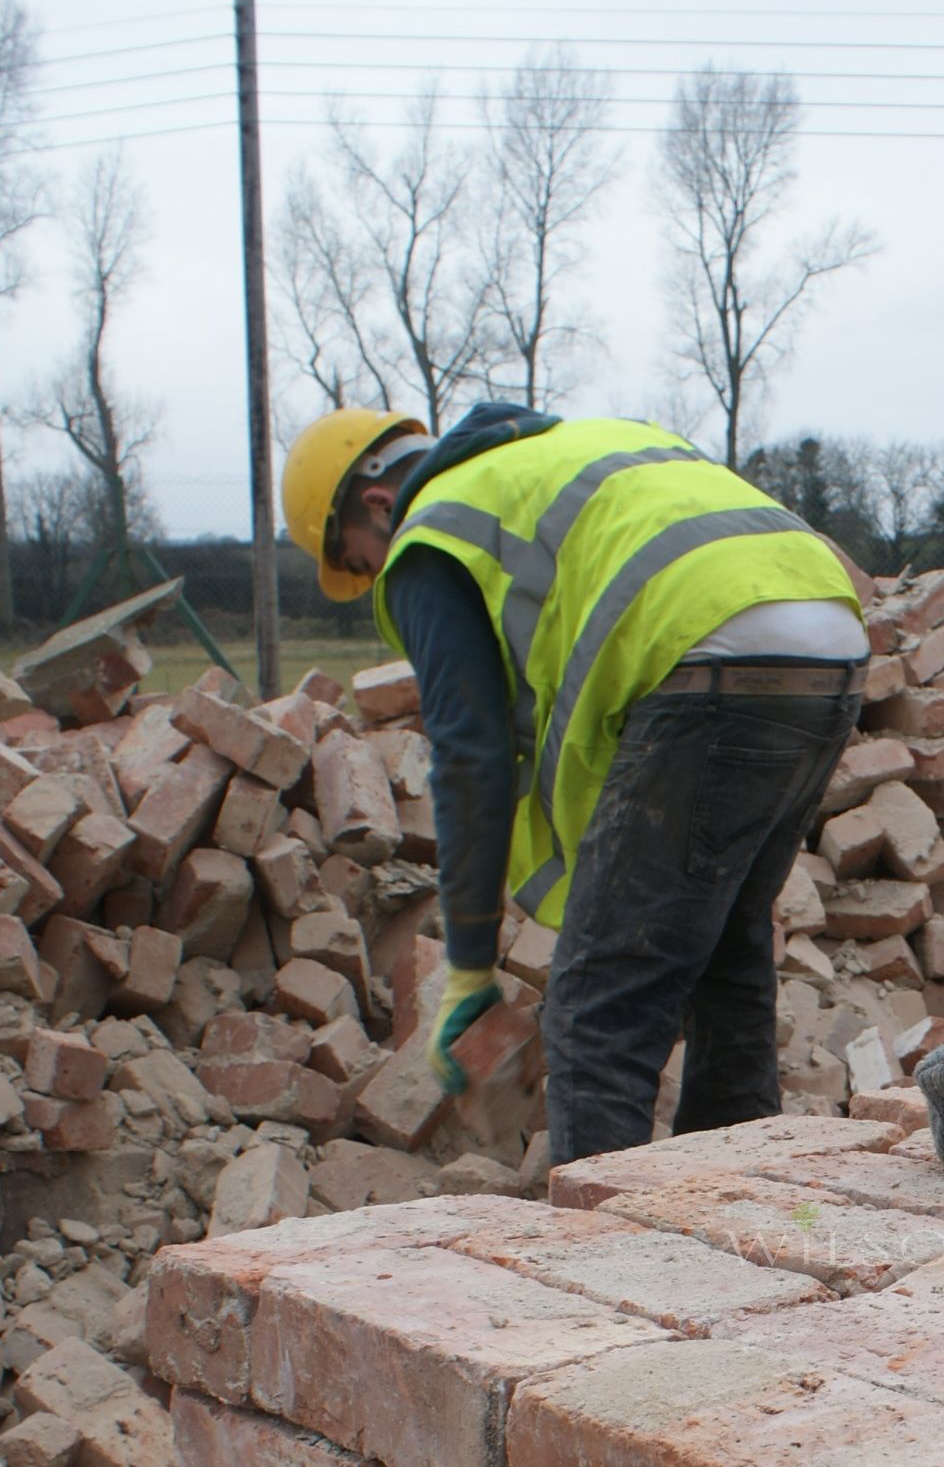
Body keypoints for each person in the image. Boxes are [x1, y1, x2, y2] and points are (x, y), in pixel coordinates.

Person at [279, 403, 869, 1163]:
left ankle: (599, 1262)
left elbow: (470, 753)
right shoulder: (567, 449)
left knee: (599, 1008)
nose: (374, 579)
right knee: (727, 960)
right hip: (830, 638)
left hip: (703, 648)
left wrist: (466, 970)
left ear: (378, 504)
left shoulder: (430, 533)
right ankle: (743, 1231)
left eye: (361, 563)